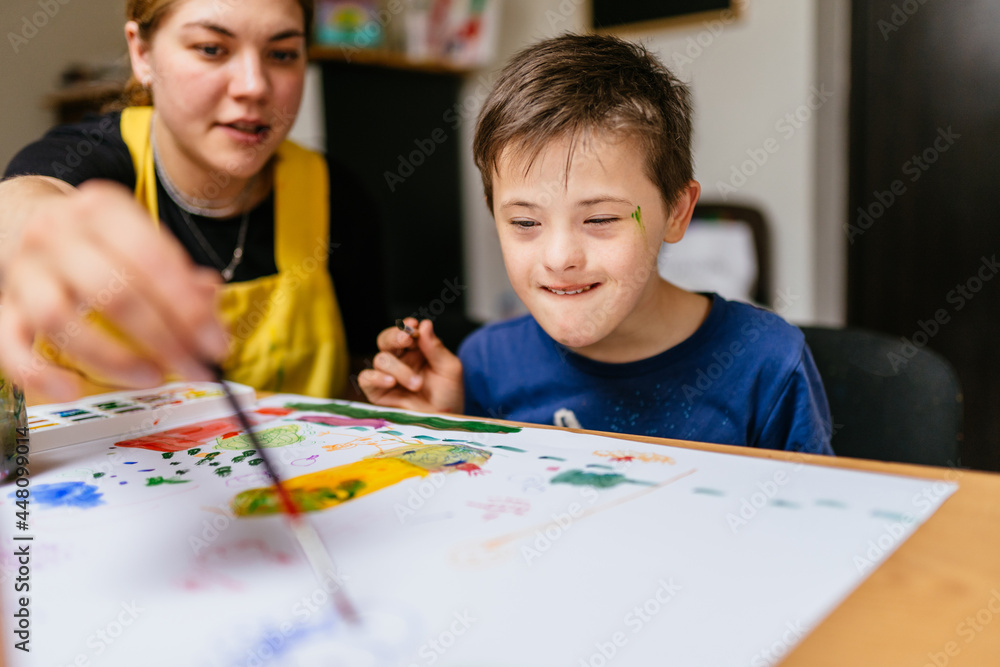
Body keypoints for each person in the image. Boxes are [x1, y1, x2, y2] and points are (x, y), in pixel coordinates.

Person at [359, 34, 833, 454]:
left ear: (676, 212)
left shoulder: (766, 362)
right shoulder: (485, 364)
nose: (560, 258)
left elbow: (815, 531)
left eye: (601, 218)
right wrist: (445, 431)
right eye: (525, 223)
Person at [0, 0, 385, 402]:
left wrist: (396, 399)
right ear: (142, 54)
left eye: (282, 54)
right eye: (211, 49)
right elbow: (25, 199)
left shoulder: (336, 196)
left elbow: (355, 381)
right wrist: (35, 227)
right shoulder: (86, 158)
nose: (254, 85)